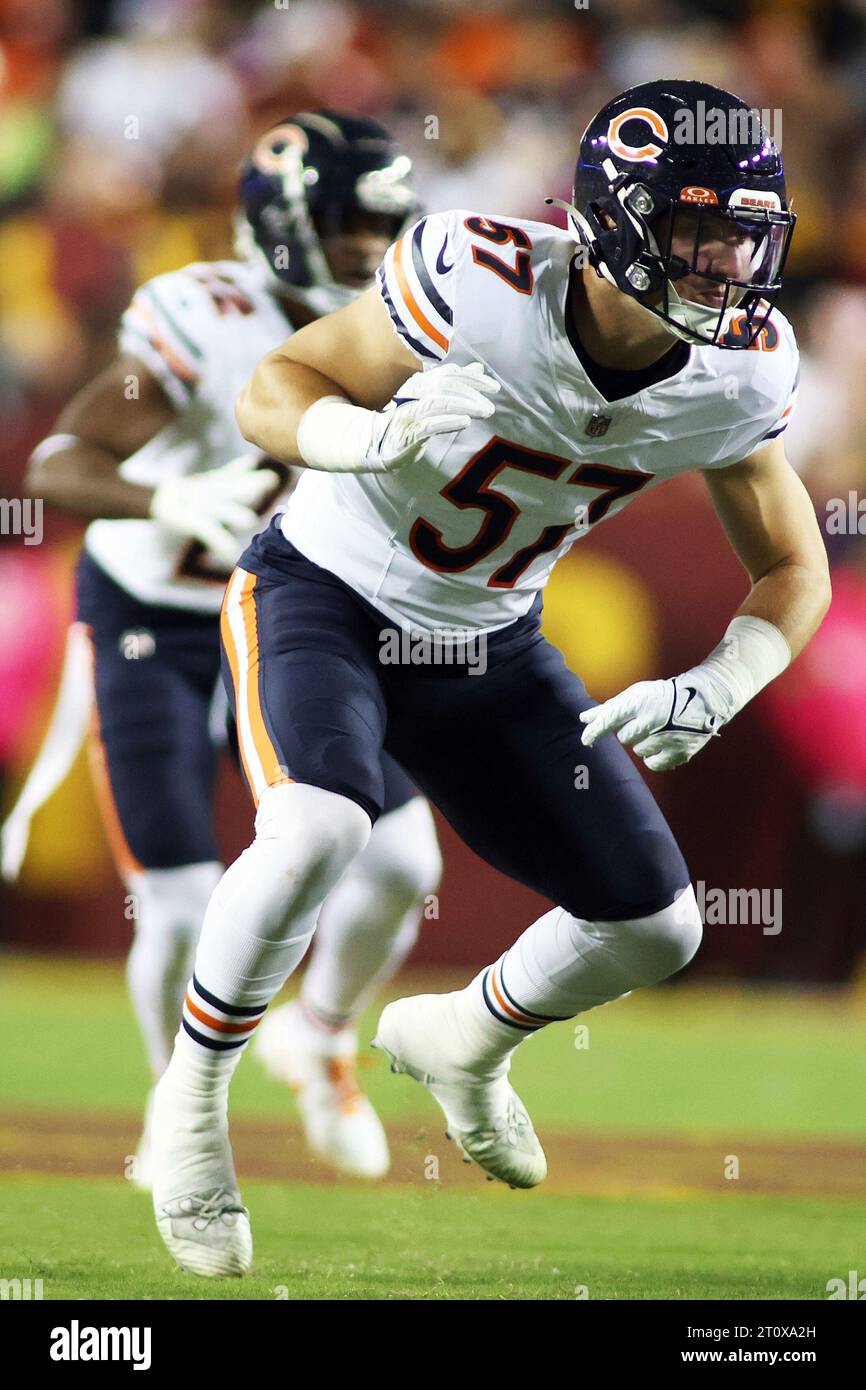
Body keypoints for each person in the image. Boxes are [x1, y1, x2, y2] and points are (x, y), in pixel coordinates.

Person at [151, 80, 830, 1277]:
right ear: (617, 222)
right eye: (697, 233)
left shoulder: (736, 375)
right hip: (325, 591)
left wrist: (723, 679)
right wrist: (359, 438)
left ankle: (462, 1036)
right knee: (314, 831)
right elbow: (276, 388)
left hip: (485, 638)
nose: (728, 264)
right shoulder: (481, 276)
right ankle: (190, 1107)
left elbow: (791, 565)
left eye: (743, 235)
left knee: (656, 926)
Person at [23, 112, 441, 1188]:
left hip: (290, 612)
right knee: (172, 901)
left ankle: (322, 1038)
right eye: (352, 224)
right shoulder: (204, 316)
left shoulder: (411, 320)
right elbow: (58, 463)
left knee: (400, 861)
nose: (370, 247)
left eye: (383, 223)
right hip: (154, 615)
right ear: (291, 223)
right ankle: (180, 1117)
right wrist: (165, 491)